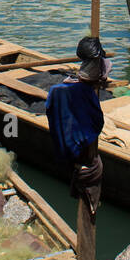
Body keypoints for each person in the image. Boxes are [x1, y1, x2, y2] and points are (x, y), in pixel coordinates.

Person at [45, 37, 111, 222]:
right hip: (80, 152)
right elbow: (96, 123)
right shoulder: (77, 93)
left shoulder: (59, 92)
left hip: (74, 150)